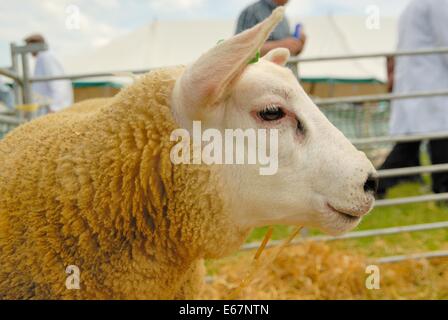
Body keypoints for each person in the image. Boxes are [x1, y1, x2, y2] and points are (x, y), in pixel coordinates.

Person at [377, 0, 448, 198]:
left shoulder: (415, 6)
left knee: (411, 143)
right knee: (439, 136)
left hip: (420, 80)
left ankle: (376, 186)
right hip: (430, 83)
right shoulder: (437, 3)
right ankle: (443, 191)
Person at [235, 0, 306, 60]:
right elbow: (240, 51)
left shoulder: (283, 17)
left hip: (283, 74)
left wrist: (298, 46)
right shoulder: (251, 12)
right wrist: (281, 45)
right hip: (262, 75)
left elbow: (289, 52)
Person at [24, 34, 73, 113]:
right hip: (46, 107)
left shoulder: (46, 57)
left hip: (52, 108)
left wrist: (55, 107)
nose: (29, 51)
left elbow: (58, 83)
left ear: (35, 45)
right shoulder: (42, 58)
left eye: (29, 46)